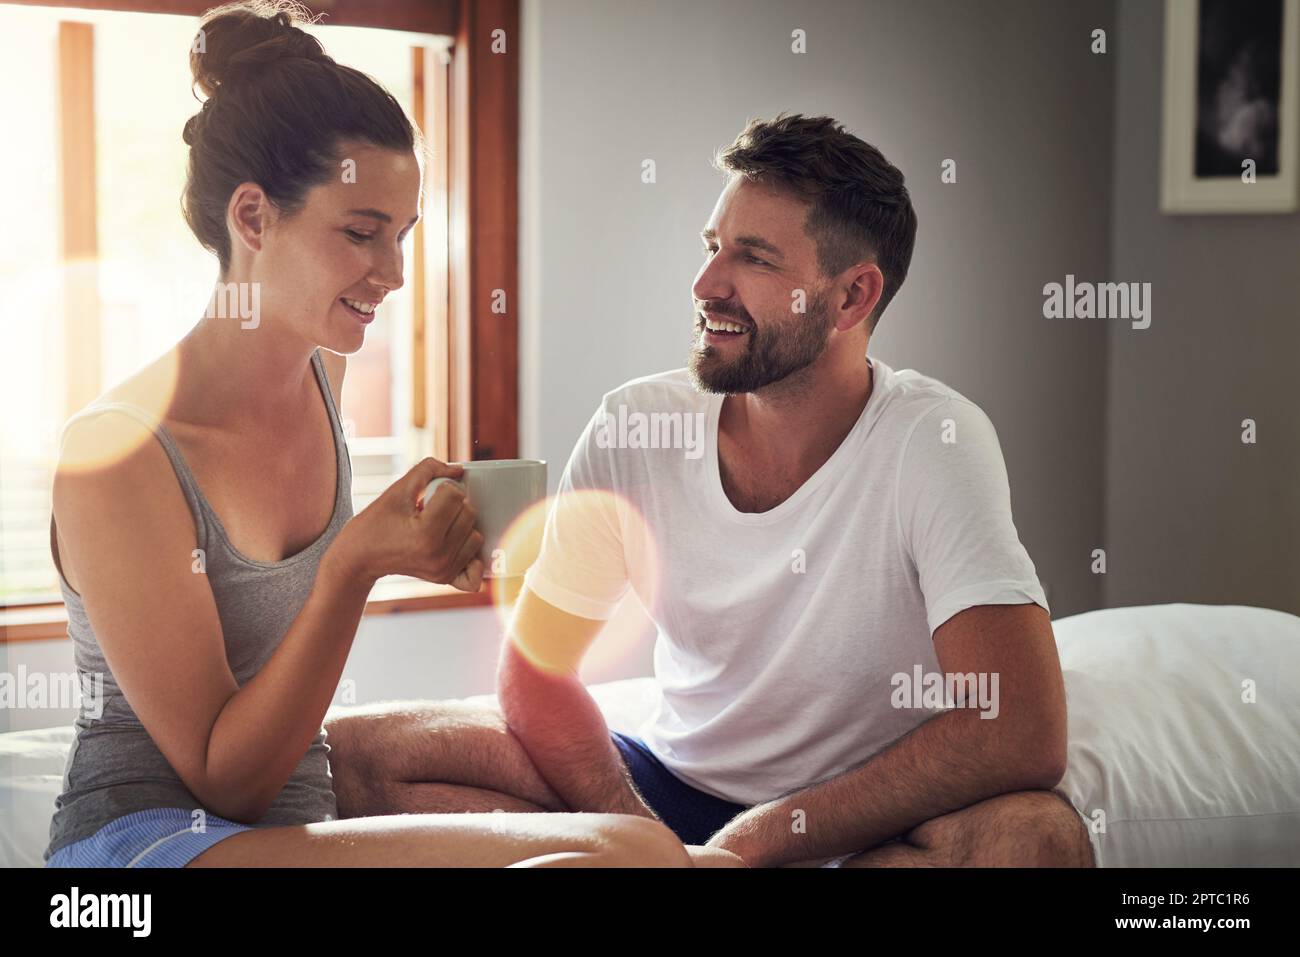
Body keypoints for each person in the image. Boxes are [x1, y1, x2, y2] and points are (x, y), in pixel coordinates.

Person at [323, 113, 1097, 868]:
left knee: (1035, 839)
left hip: (862, 819)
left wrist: (755, 844)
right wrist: (647, 844)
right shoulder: (637, 423)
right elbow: (534, 672)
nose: (706, 284)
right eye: (712, 247)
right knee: (355, 754)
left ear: (853, 298)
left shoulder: (933, 441)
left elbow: (1020, 726)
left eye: (754, 259)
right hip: (670, 792)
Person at [43, 0, 709, 869]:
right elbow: (224, 780)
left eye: (402, 237)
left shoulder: (327, 376)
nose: (393, 274)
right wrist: (356, 563)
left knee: (646, 842)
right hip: (149, 844)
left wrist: (434, 540)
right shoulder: (121, 456)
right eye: (361, 234)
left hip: (290, 820)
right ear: (251, 219)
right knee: (624, 862)